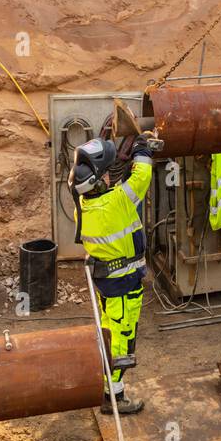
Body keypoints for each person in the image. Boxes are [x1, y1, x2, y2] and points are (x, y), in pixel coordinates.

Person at [70, 133, 158, 414]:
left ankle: (106, 384)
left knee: (109, 331)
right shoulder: (117, 202)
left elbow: (115, 190)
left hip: (109, 282)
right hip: (123, 283)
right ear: (99, 182)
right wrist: (142, 149)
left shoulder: (85, 206)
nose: (111, 176)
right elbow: (142, 178)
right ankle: (114, 398)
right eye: (107, 173)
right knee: (121, 339)